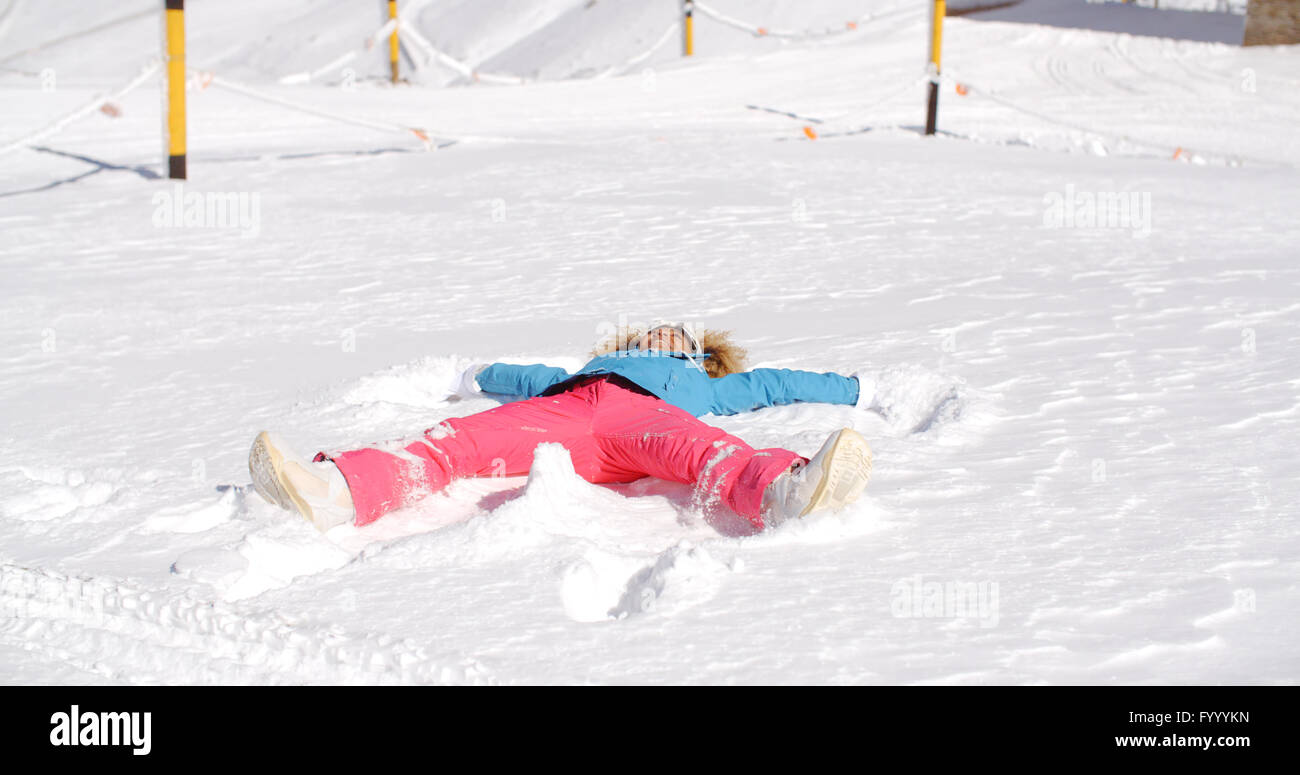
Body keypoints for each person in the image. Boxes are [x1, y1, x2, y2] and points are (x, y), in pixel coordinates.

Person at [248, 322, 877, 534]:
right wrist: (474, 374)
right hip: (566, 418)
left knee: (714, 451)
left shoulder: (703, 384)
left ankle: (781, 492)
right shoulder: (584, 371)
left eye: (674, 336)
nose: (660, 335)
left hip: (644, 425)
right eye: (650, 331)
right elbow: (527, 378)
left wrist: (857, 389)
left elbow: (776, 384)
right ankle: (339, 492)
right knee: (457, 441)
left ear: (692, 354)